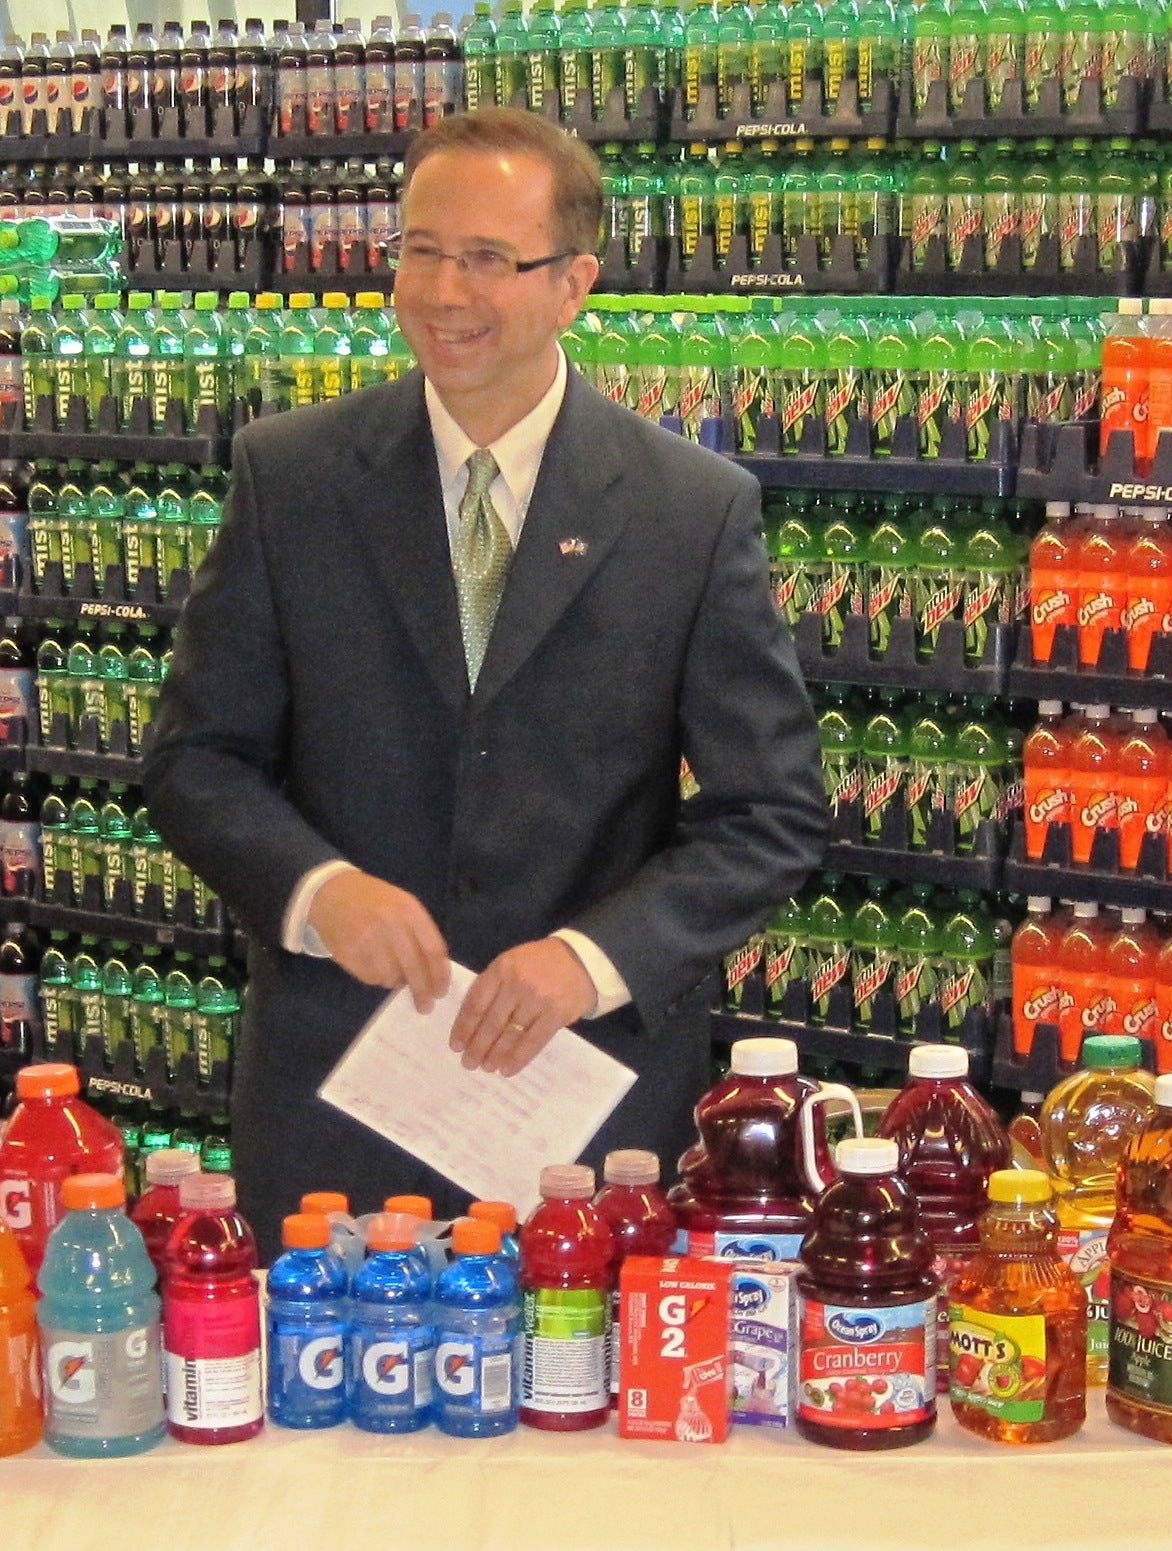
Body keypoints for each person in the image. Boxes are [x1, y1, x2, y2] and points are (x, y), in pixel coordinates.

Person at [142, 107, 828, 1248]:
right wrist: (318, 892)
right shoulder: (289, 478)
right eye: (420, 250)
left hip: (582, 1111)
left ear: (572, 284)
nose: (442, 292)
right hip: (337, 1098)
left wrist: (591, 960)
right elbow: (194, 761)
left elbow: (771, 812)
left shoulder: (690, 511)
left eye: (486, 259)